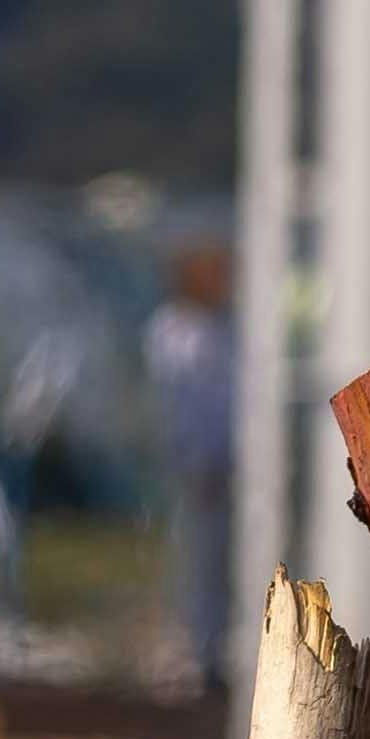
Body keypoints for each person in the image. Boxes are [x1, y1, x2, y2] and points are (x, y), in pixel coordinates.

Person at [143, 241, 240, 694]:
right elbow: (180, 407)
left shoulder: (225, 329)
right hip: (194, 465)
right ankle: (196, 650)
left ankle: (216, 649)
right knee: (195, 562)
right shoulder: (173, 332)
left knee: (222, 563)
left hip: (226, 463)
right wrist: (193, 459)